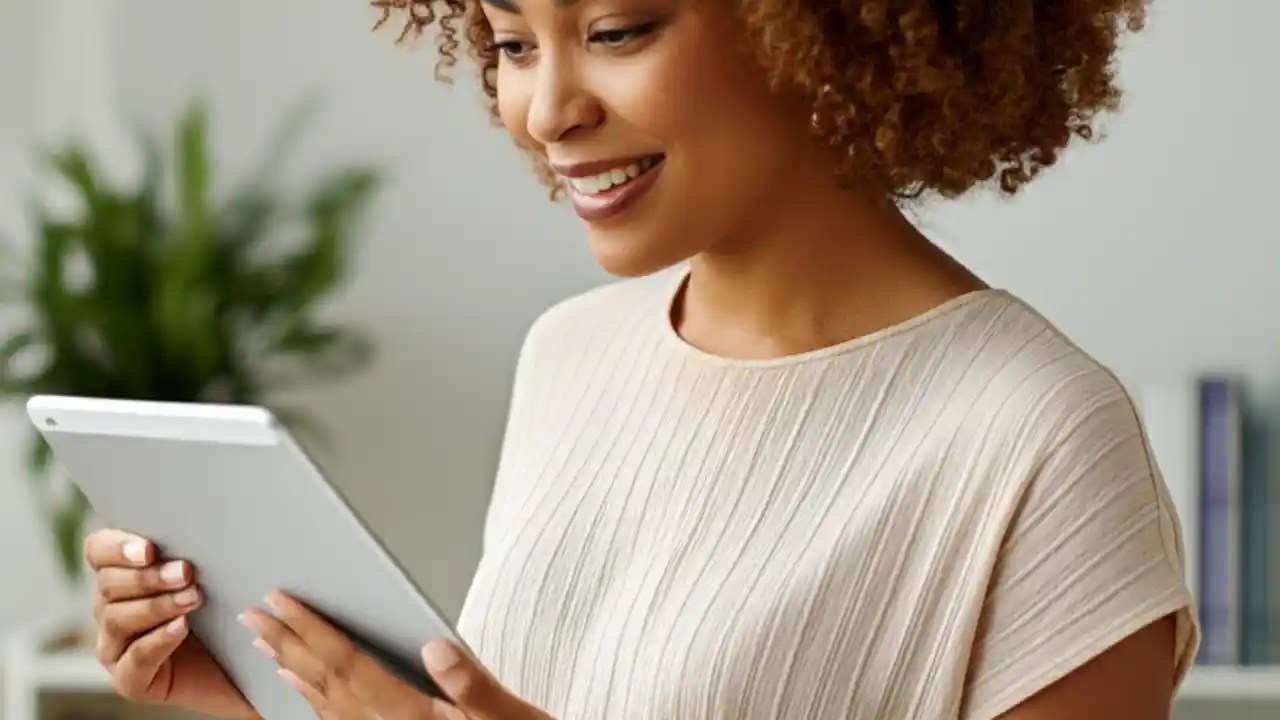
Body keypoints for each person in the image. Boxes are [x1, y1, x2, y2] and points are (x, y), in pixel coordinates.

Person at [83, 0, 1199, 717]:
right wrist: (261, 687)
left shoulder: (1038, 433)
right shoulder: (569, 356)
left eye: (615, 32)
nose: (546, 112)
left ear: (819, 27)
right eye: (514, 43)